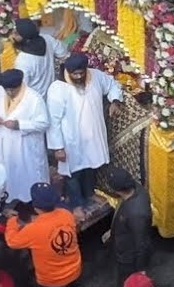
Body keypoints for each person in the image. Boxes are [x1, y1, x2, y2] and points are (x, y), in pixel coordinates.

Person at [5, 182, 104, 287]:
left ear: (35, 206)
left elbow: (12, 241)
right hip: (74, 272)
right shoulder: (67, 215)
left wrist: (12, 220)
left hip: (51, 281)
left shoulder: (33, 230)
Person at [46, 52, 125, 208]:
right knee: (73, 174)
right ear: (68, 72)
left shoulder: (95, 76)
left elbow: (112, 85)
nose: (78, 77)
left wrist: (115, 101)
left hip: (93, 137)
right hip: (72, 142)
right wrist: (58, 148)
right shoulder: (58, 89)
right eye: (74, 74)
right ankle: (77, 205)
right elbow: (53, 121)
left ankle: (90, 194)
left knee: (90, 167)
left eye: (81, 73)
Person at [0, 69, 50, 203]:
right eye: (7, 90)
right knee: (6, 174)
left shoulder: (34, 98)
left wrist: (19, 125)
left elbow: (43, 123)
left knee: (27, 177)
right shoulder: (0, 91)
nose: (10, 93)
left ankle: (30, 203)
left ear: (20, 85)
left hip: (25, 146)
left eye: (13, 90)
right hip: (3, 143)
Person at [105, 168, 153, 287]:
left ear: (117, 190)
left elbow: (141, 243)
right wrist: (113, 231)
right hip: (124, 248)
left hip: (129, 258)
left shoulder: (136, 213)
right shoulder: (137, 190)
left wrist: (141, 270)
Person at [11, 18, 65, 97]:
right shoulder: (47, 39)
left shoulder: (22, 60)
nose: (12, 35)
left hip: (37, 101)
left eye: (15, 33)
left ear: (22, 37)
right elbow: (63, 54)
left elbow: (22, 88)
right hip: (54, 93)